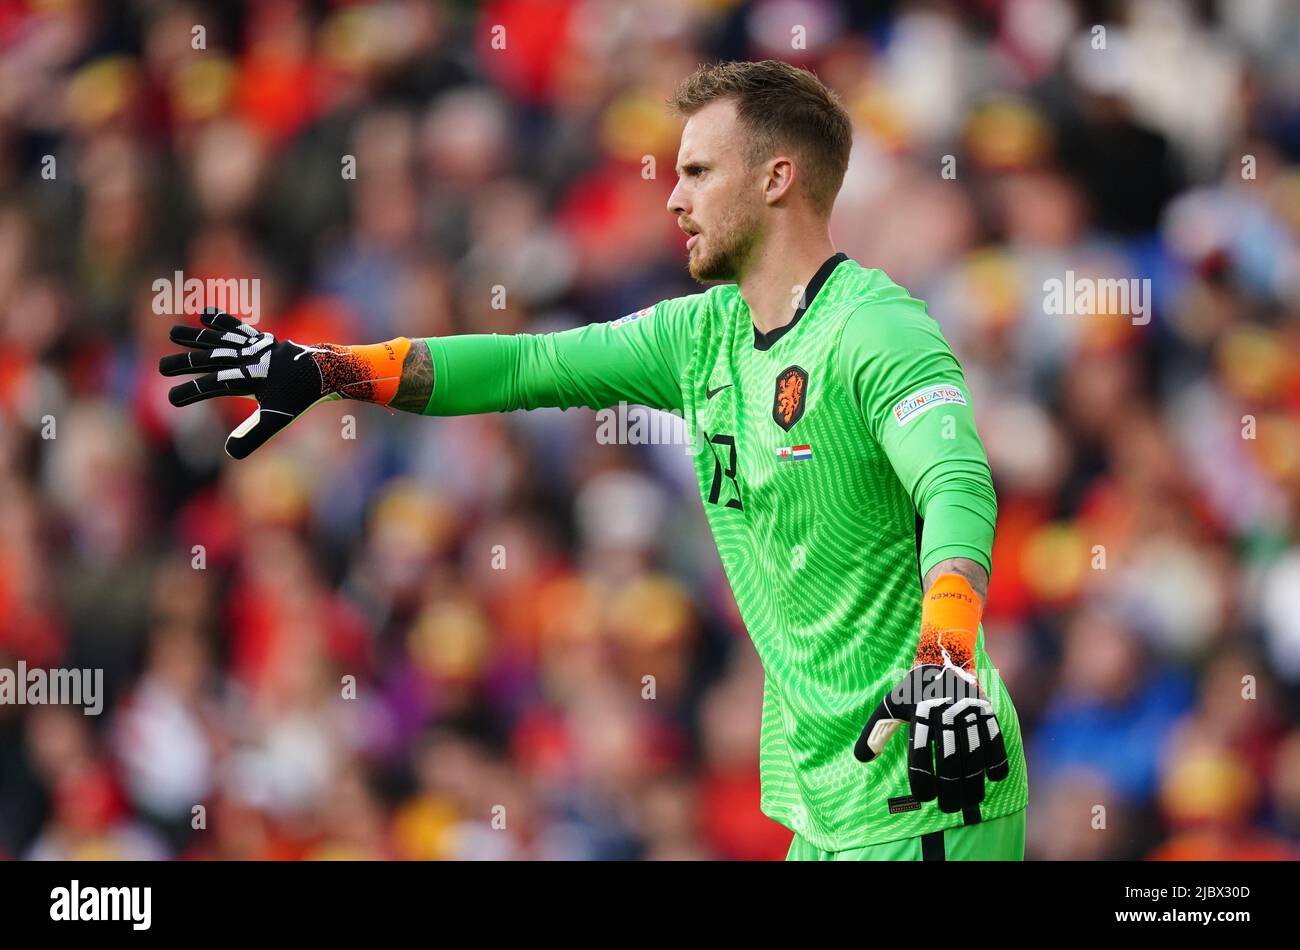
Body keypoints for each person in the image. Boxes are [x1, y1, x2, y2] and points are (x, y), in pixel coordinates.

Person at [160, 59, 1028, 861]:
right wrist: (328, 370)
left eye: (698, 172)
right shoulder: (699, 336)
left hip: (929, 787)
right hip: (824, 808)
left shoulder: (876, 329)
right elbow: (520, 366)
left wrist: (948, 652)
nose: (673, 199)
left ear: (776, 179)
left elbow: (955, 483)